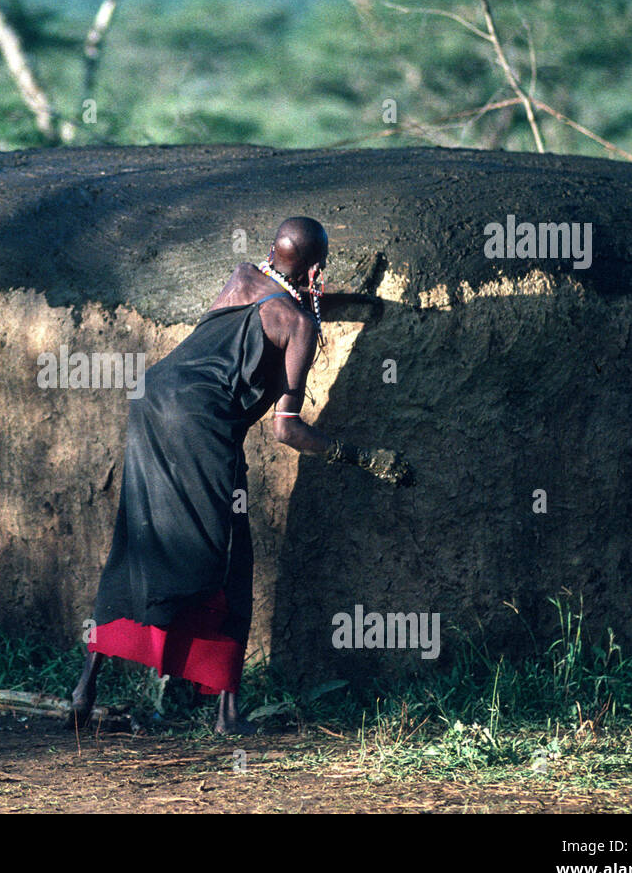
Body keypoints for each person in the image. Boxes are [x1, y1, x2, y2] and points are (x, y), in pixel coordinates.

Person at [70, 217, 410, 734]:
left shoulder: (243, 275)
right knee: (228, 558)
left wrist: (348, 304)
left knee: (141, 537)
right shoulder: (299, 327)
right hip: (201, 424)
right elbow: (287, 430)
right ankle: (228, 714)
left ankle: (84, 688)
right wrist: (361, 457)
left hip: (153, 399)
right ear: (316, 267)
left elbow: (276, 301)